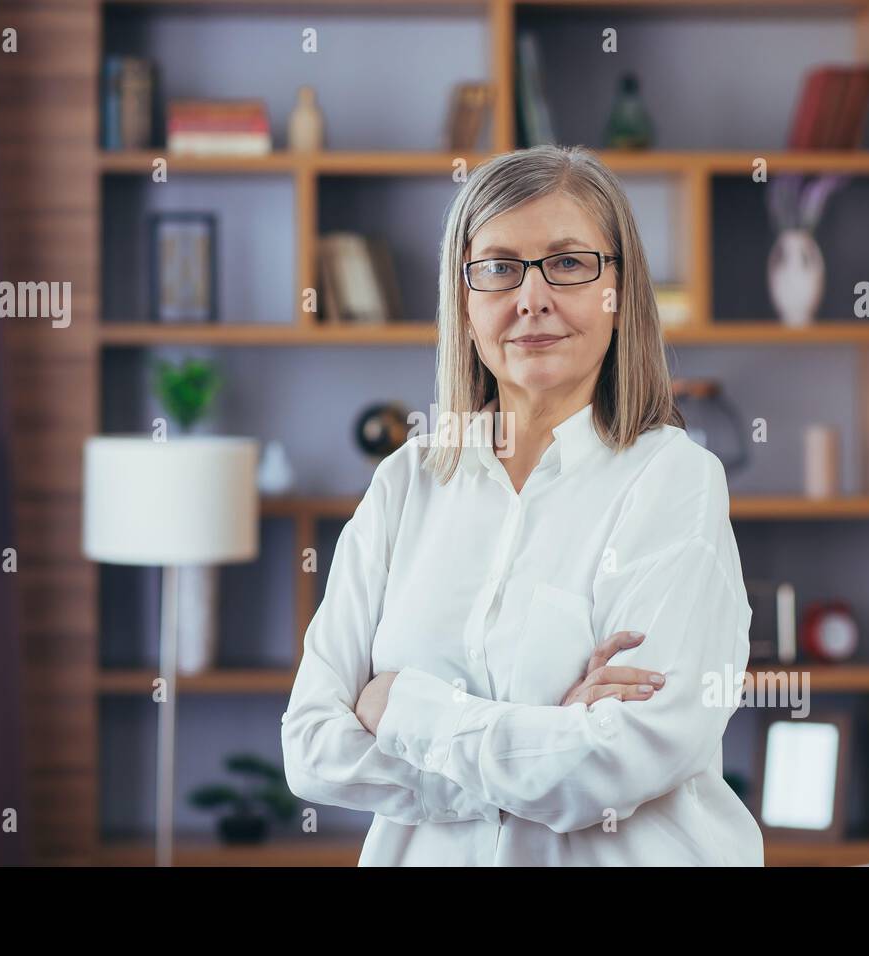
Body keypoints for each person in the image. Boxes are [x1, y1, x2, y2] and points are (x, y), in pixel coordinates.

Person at [281, 144, 763, 866]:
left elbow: (621, 763)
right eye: (499, 267)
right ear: (464, 300)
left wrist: (403, 710)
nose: (531, 298)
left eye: (568, 263)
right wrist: (546, 735)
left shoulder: (675, 482)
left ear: (620, 292)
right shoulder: (403, 484)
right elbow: (312, 749)